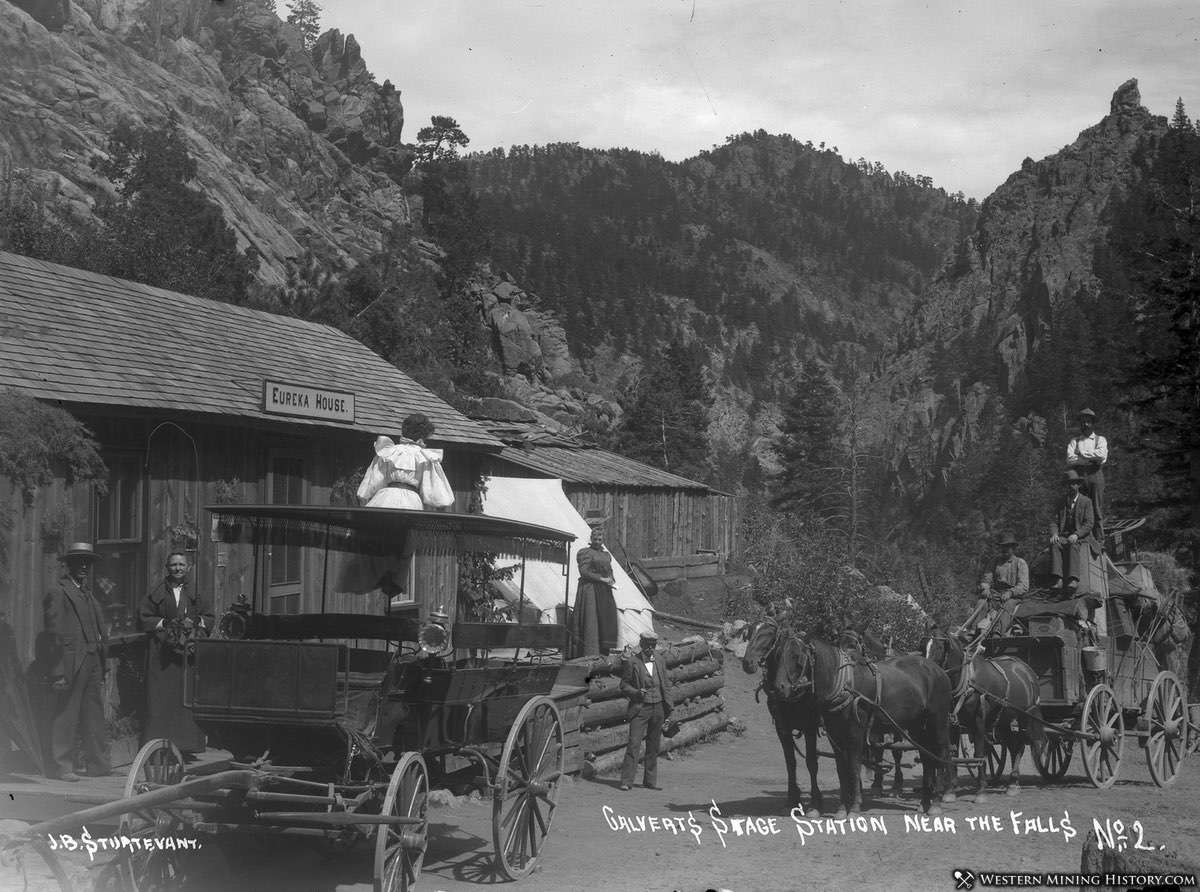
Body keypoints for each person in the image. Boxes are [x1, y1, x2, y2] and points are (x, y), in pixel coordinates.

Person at [43, 543, 110, 781]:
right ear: (68, 564)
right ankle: (61, 766)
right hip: (72, 663)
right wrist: (58, 671)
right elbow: (53, 634)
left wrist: (102, 664)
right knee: (66, 715)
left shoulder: (88, 593)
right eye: (79, 562)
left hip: (92, 660)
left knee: (94, 714)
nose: (83, 566)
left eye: (87, 562)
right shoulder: (59, 591)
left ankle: (98, 765)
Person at [138, 552, 214, 754]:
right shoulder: (157, 591)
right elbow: (143, 616)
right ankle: (158, 745)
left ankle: (186, 745)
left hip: (186, 654)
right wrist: (165, 623)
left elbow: (209, 617)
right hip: (162, 652)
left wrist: (196, 623)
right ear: (167, 567)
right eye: (173, 565)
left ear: (188, 567)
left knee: (185, 697)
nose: (177, 568)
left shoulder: (196, 592)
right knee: (161, 698)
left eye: (181, 565)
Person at [356, 413, 455, 510]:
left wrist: (364, 497)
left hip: (385, 500)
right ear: (423, 436)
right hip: (410, 502)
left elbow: (374, 480)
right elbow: (435, 491)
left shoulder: (389, 451)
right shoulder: (424, 457)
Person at [618, 630, 674, 791]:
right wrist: (636, 692)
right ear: (641, 645)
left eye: (653, 645)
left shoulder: (660, 660)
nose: (650, 648)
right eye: (647, 645)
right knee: (634, 743)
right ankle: (626, 781)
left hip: (658, 707)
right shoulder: (632, 662)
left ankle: (650, 781)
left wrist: (669, 708)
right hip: (640, 708)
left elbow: (666, 684)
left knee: (653, 745)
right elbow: (623, 685)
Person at [958, 530, 1029, 637]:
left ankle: (998, 632)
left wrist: (1010, 593)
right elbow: (986, 579)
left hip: (1013, 597)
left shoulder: (1020, 563)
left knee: (1007, 605)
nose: (1004, 549)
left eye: (1007, 546)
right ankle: (972, 631)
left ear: (1013, 547)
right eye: (1002, 546)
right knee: (981, 602)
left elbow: (1023, 585)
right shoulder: (994, 562)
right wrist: (985, 589)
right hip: (995, 594)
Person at [568, 526, 619, 657]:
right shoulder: (585, 553)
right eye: (595, 539)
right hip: (589, 589)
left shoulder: (606, 555)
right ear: (591, 539)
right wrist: (601, 578)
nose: (597, 541)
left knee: (606, 619)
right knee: (592, 621)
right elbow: (584, 572)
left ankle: (604, 654)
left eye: (599, 539)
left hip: (604, 591)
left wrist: (612, 579)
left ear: (603, 540)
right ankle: (589, 654)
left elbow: (610, 571)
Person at [1049, 469, 1100, 594]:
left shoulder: (1086, 502)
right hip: (1064, 536)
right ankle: (1058, 579)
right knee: (1055, 544)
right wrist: (1054, 534)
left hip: (1082, 537)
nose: (1070, 486)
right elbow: (1054, 522)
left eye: (1073, 483)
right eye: (1067, 484)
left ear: (1078, 485)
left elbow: (1089, 524)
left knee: (1073, 543)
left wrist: (1077, 534)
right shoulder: (1061, 502)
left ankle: (1073, 579)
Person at [1066, 408, 1108, 542]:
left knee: (1097, 507)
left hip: (1095, 474)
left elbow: (1101, 455)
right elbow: (1070, 459)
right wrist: (1090, 458)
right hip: (1079, 476)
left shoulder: (1100, 440)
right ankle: (1082, 538)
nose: (1086, 424)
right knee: (1080, 506)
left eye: (1088, 421)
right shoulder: (1074, 441)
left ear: (1092, 423)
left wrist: (1081, 454)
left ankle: (1099, 540)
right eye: (1083, 421)